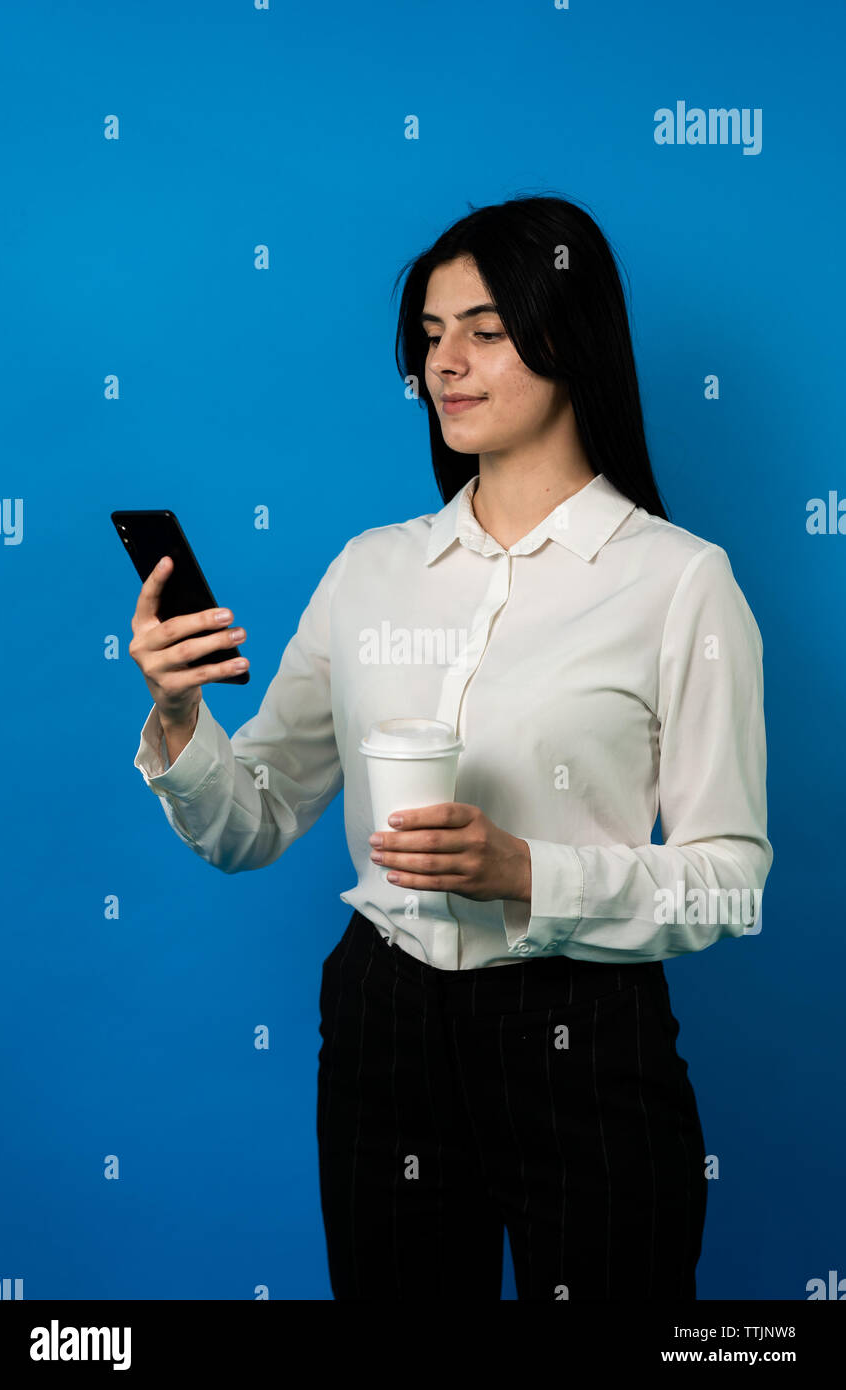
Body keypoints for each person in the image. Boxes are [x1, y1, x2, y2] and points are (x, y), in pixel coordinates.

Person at [129, 193, 773, 1302]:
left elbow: (729, 882)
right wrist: (183, 721)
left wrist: (528, 872)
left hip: (583, 1034)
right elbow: (256, 821)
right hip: (384, 1027)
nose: (445, 364)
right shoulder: (369, 570)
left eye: (482, 330)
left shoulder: (679, 582)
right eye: (429, 337)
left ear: (568, 335)